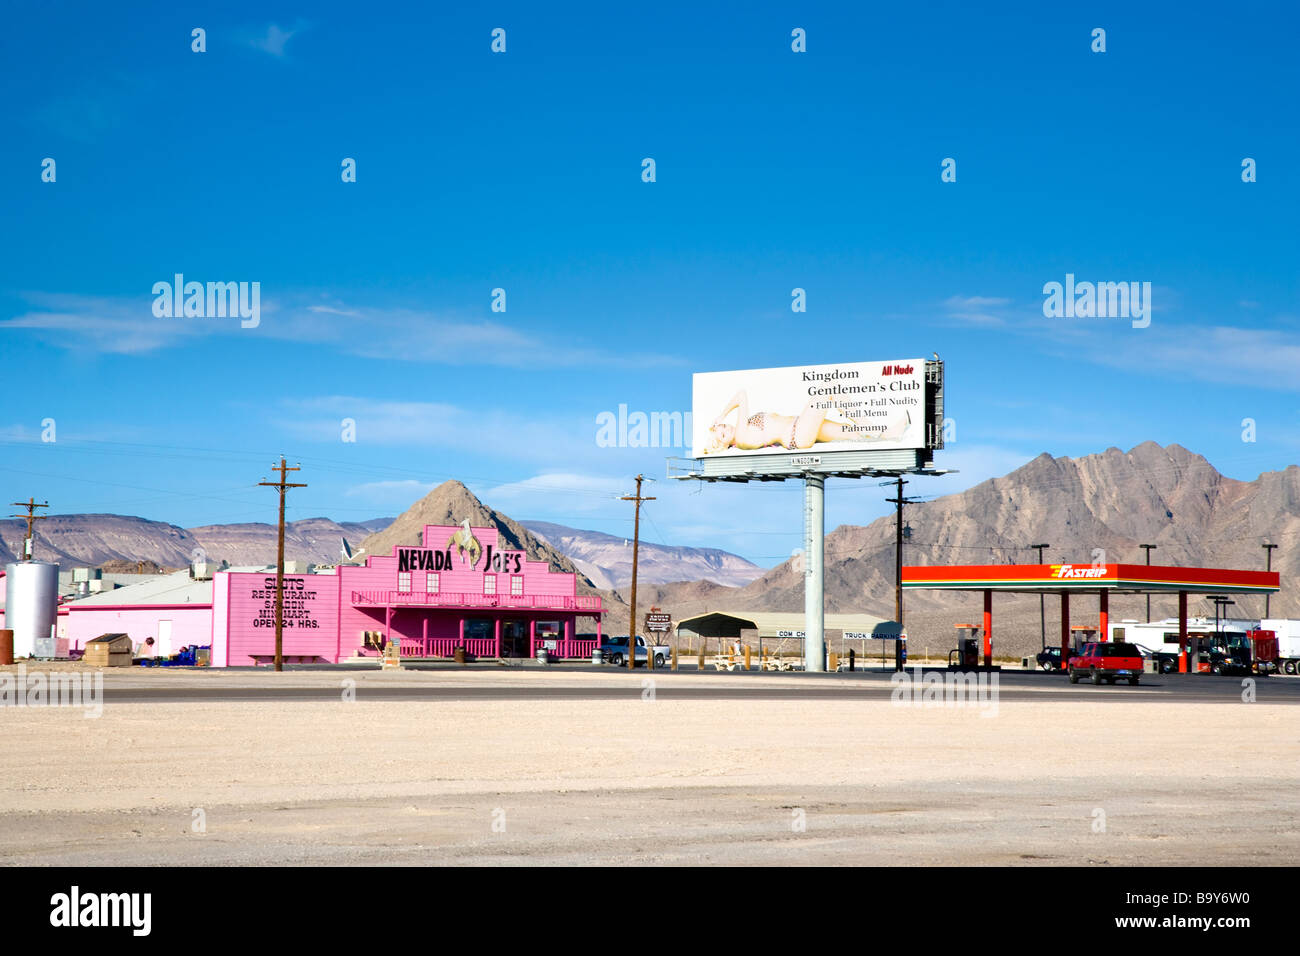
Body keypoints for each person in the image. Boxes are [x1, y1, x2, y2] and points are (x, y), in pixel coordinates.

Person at [702, 389, 909, 455]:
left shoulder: (741, 430)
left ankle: (887, 436)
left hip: (801, 426)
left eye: (722, 427)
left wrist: (721, 418)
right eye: (722, 434)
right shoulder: (743, 437)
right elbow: (741, 395)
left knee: (851, 433)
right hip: (797, 435)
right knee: (828, 390)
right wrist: (722, 415)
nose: (725, 428)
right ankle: (873, 428)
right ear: (724, 444)